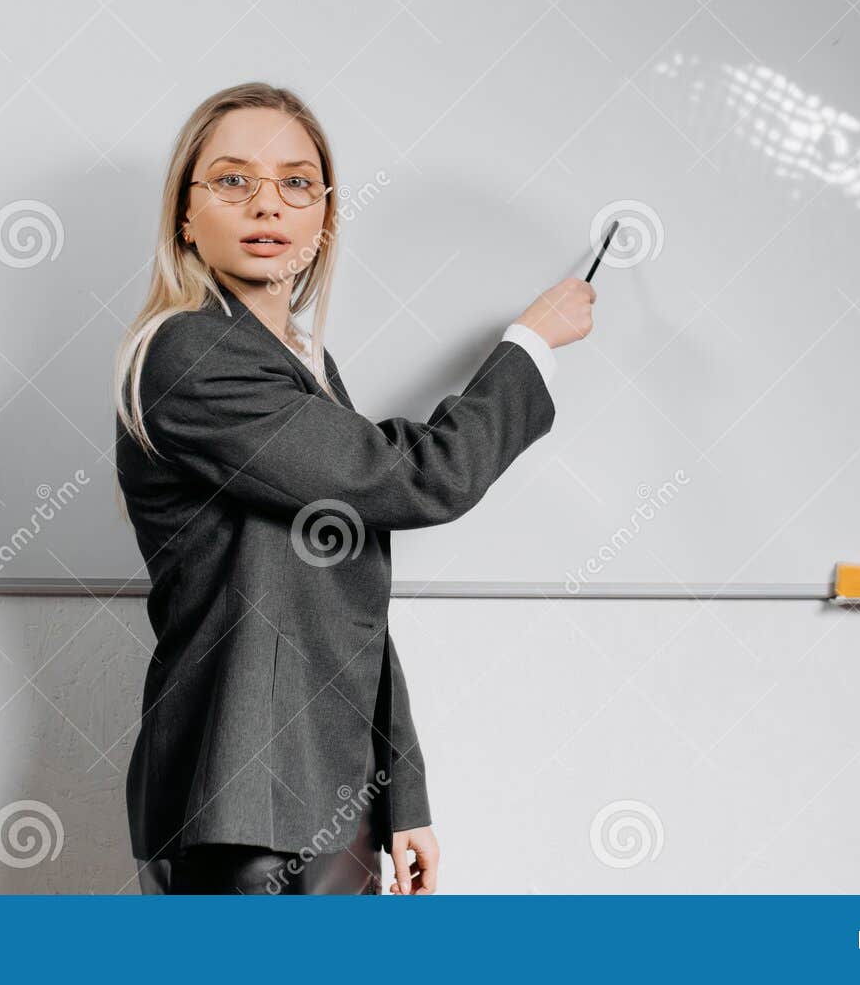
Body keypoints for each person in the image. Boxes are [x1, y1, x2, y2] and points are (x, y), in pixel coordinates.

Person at [112, 81, 595, 894]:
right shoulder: (190, 354)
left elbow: (346, 600)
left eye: (297, 183)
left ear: (324, 218)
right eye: (233, 181)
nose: (268, 204)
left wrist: (401, 795)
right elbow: (416, 479)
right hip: (247, 805)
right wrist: (531, 344)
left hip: (318, 800)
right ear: (185, 217)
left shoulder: (304, 368)